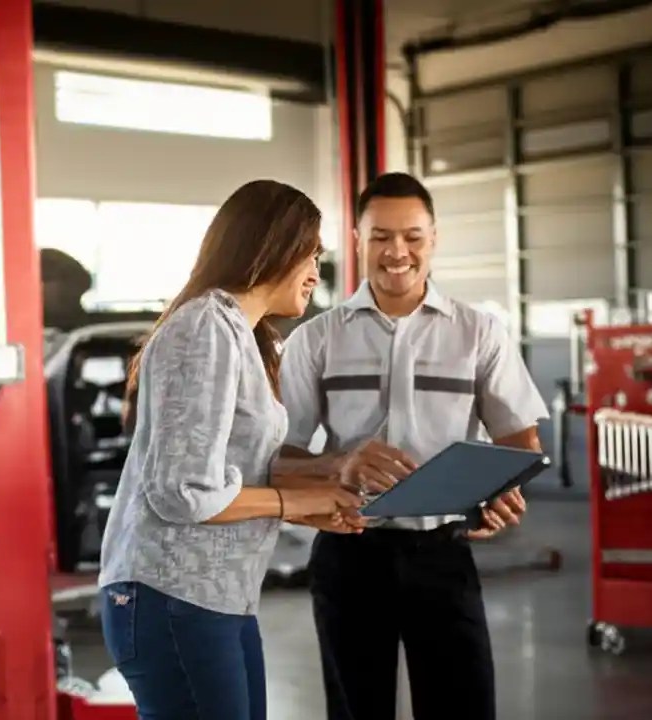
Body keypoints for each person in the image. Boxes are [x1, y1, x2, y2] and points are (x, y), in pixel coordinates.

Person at [278, 171, 549, 720]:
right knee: (357, 709)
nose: (396, 251)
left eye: (412, 236)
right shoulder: (316, 338)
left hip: (443, 555)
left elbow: (520, 441)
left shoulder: (479, 333)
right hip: (349, 551)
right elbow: (278, 456)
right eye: (380, 236)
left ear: (434, 239)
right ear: (358, 239)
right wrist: (340, 464)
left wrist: (500, 494)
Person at [97, 179, 366, 720]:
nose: (316, 272)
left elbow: (244, 465)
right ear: (272, 245)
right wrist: (295, 505)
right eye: (310, 254)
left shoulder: (247, 336)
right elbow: (182, 491)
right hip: (170, 593)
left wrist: (329, 483)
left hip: (218, 596)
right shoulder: (205, 328)